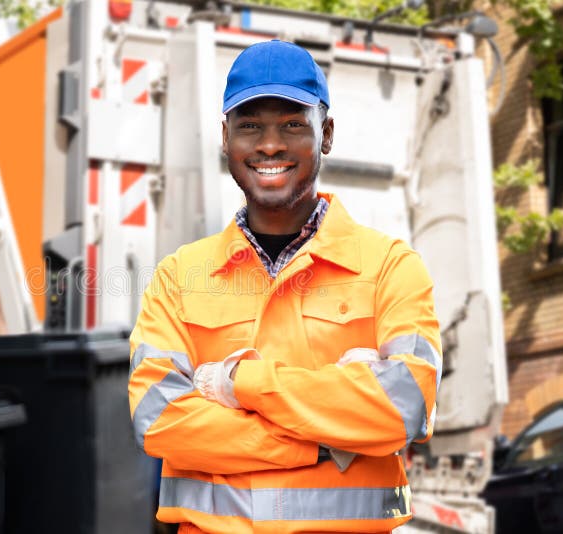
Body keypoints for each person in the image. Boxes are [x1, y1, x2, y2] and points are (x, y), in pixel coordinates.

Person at [128, 39, 441, 534]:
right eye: (250, 125)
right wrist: (322, 441)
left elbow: (407, 406)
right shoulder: (178, 277)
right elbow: (158, 419)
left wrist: (236, 384)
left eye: (293, 125)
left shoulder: (390, 267)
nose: (270, 144)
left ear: (327, 134)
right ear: (225, 137)